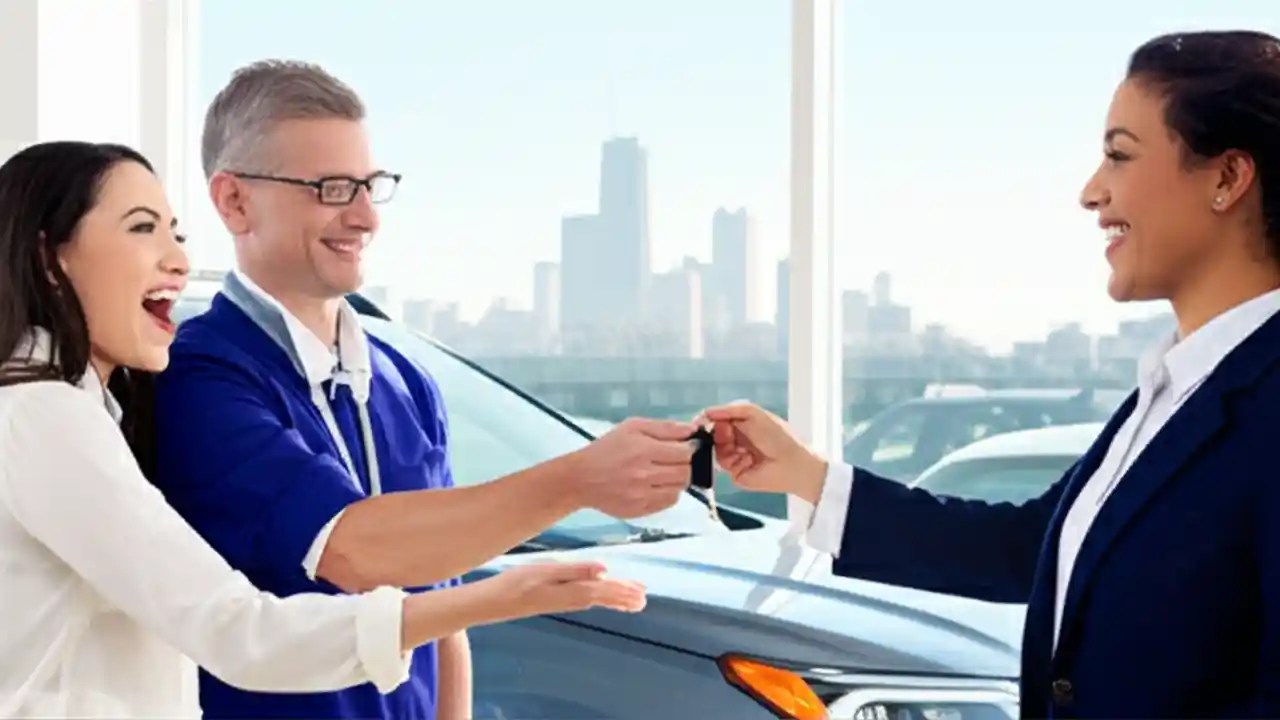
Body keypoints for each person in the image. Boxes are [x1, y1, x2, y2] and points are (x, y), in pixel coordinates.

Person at [701, 30, 1280, 719]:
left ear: (1227, 178)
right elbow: (1028, 547)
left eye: (1119, 155)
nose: (1090, 192)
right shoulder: (1175, 385)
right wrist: (807, 476)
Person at [0, 140, 649, 719]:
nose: (177, 258)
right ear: (48, 257)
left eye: (175, 232)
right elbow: (238, 631)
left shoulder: (75, 414)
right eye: (143, 230)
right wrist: (498, 596)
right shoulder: (41, 414)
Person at [150, 60, 697, 720]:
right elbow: (354, 550)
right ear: (234, 201)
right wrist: (578, 480)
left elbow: (442, 602)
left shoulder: (404, 381)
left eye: (369, 186)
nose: (363, 218)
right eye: (330, 188)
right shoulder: (197, 378)